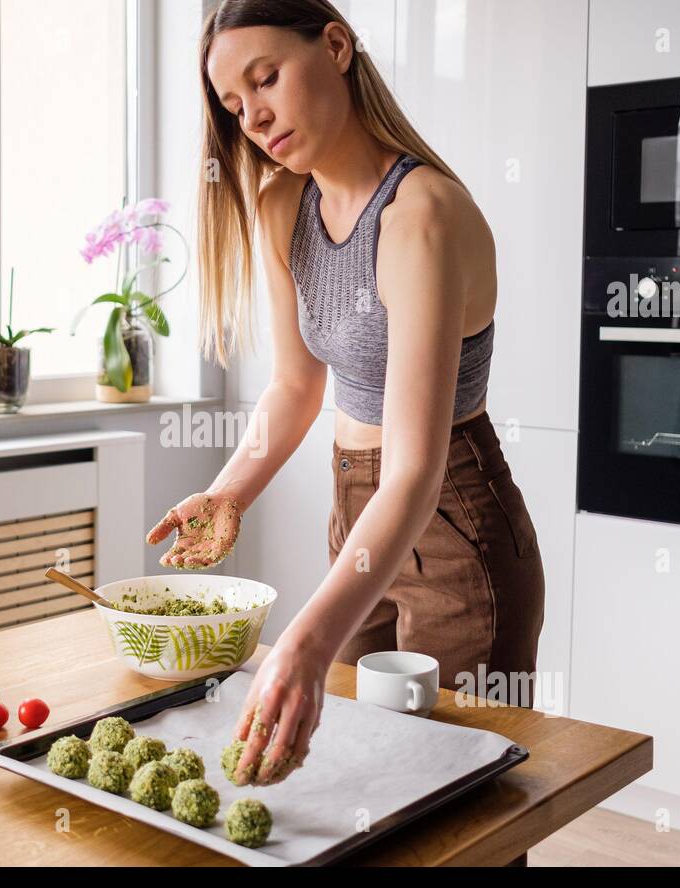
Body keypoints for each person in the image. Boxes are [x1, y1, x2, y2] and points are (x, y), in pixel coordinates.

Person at [146, 0, 544, 787]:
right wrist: (228, 495)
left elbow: (414, 470)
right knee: (361, 786)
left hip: (453, 519)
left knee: (457, 803)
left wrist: (304, 639)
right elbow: (296, 387)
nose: (254, 118)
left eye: (267, 80)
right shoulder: (280, 206)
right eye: (234, 106)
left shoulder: (421, 217)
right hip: (356, 513)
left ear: (334, 47)